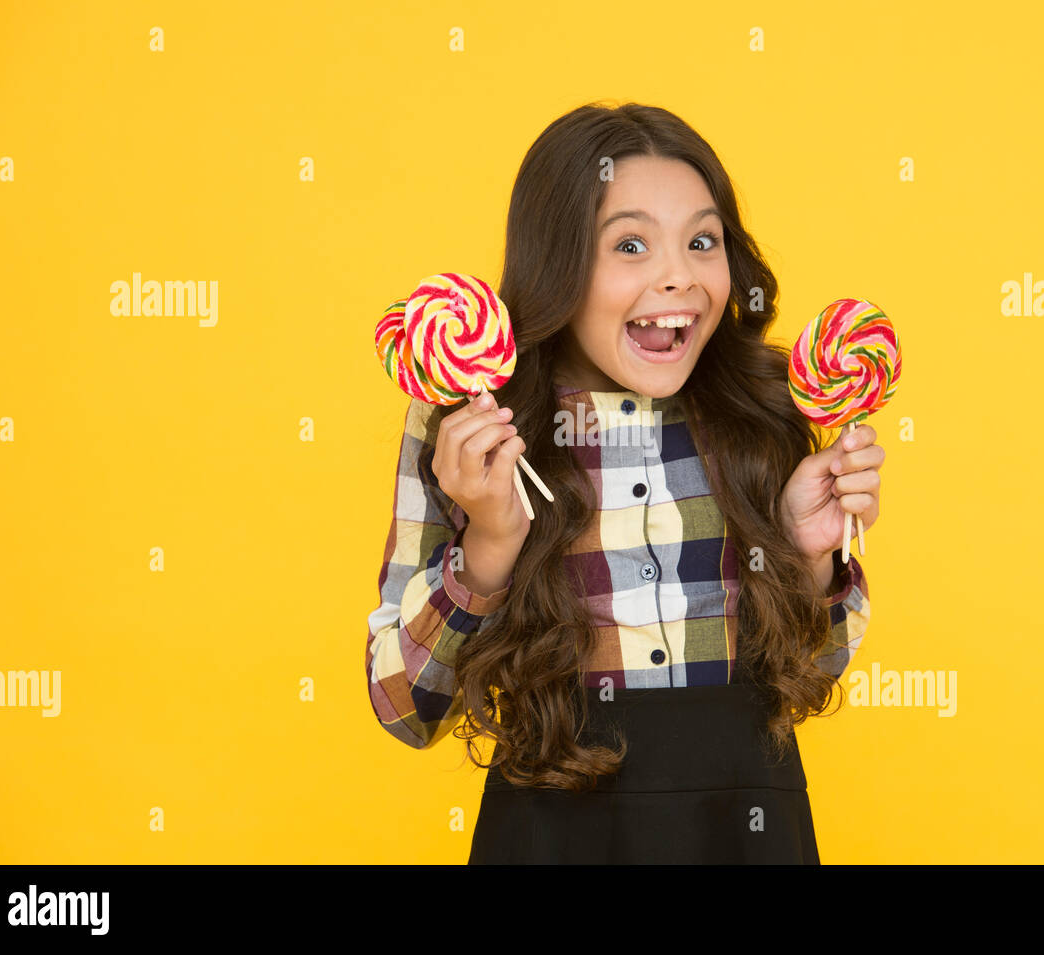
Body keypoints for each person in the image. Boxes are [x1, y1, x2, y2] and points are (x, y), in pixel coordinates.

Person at [364, 102, 884, 864]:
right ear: (557, 263)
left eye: (702, 241)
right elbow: (405, 708)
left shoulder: (758, 414)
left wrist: (808, 559)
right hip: (551, 831)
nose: (678, 276)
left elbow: (813, 676)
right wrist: (488, 548)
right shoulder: (472, 431)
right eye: (631, 244)